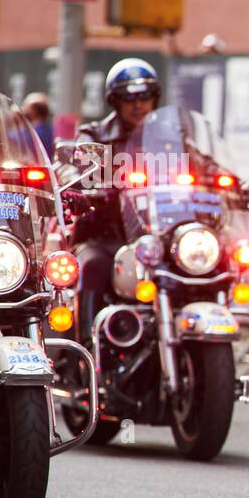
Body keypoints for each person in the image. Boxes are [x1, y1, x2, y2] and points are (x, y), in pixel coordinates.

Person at [72, 58, 162, 339]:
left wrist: (236, 184)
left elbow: (203, 162)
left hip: (158, 239)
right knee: (93, 266)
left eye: (144, 97)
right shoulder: (95, 135)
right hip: (105, 237)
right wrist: (81, 184)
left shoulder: (172, 138)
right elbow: (72, 164)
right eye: (128, 98)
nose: (138, 105)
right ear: (115, 101)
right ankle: (87, 347)